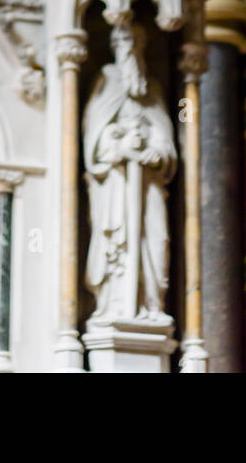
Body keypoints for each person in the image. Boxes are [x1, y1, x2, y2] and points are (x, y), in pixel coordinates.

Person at [83, 22, 176, 322]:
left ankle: (151, 306)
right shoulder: (107, 79)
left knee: (157, 239)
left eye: (132, 39)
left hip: (147, 183)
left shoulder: (152, 87)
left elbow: (164, 134)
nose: (127, 45)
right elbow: (93, 133)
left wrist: (156, 151)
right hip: (116, 183)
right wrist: (117, 146)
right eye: (121, 40)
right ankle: (115, 305)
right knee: (117, 237)